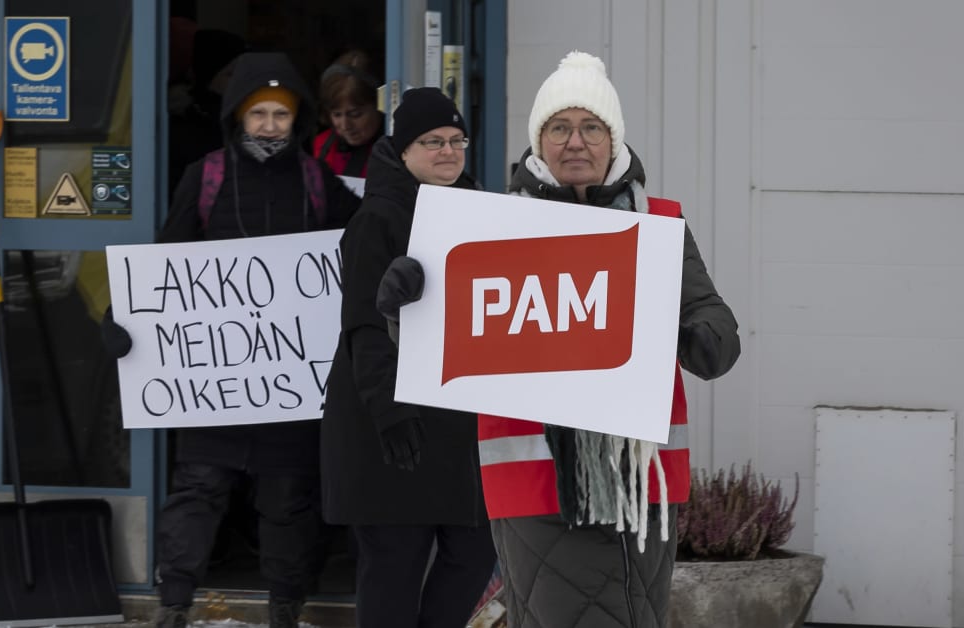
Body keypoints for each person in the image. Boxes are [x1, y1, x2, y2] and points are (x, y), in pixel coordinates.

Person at [377, 52, 741, 627]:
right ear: (538, 140)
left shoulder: (659, 225)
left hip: (636, 487)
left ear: (613, 138)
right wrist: (404, 308)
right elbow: (440, 342)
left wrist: (686, 332)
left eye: (591, 127)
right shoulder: (491, 230)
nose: (576, 142)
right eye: (559, 128)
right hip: (530, 486)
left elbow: (716, 338)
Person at [105, 51, 361, 628]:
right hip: (213, 382)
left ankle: (284, 606)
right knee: (197, 490)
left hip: (288, 381)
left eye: (281, 114)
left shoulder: (318, 183)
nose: (269, 125)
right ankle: (174, 604)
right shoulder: (207, 176)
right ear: (237, 117)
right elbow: (167, 257)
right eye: (257, 114)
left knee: (288, 501)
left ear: (298, 119)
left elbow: (363, 246)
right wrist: (121, 316)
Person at [320, 87, 497, 628]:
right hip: (390, 426)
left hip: (452, 421)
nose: (448, 151)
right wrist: (389, 411)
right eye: (432, 142)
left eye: (456, 140)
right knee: (394, 565)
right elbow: (363, 327)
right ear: (403, 151)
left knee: (474, 552)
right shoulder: (378, 218)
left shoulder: (476, 210)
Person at [167, 29, 248, 195]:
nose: (240, 82)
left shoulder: (252, 119)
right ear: (209, 75)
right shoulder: (183, 128)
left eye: (245, 74)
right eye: (230, 74)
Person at [313, 50, 384, 177]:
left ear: (379, 106)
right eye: (337, 114)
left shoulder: (396, 152)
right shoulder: (321, 146)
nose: (345, 126)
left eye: (355, 114)